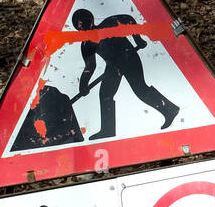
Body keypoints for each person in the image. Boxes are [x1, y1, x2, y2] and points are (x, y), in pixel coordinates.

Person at [72, 8, 179, 140]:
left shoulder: (108, 24)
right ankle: (107, 130)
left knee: (141, 90)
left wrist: (137, 39)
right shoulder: (86, 44)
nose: (82, 27)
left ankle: (170, 109)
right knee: (105, 94)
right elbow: (90, 66)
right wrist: (83, 84)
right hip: (113, 67)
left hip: (128, 57)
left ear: (91, 20)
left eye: (83, 23)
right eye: (78, 26)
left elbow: (128, 19)